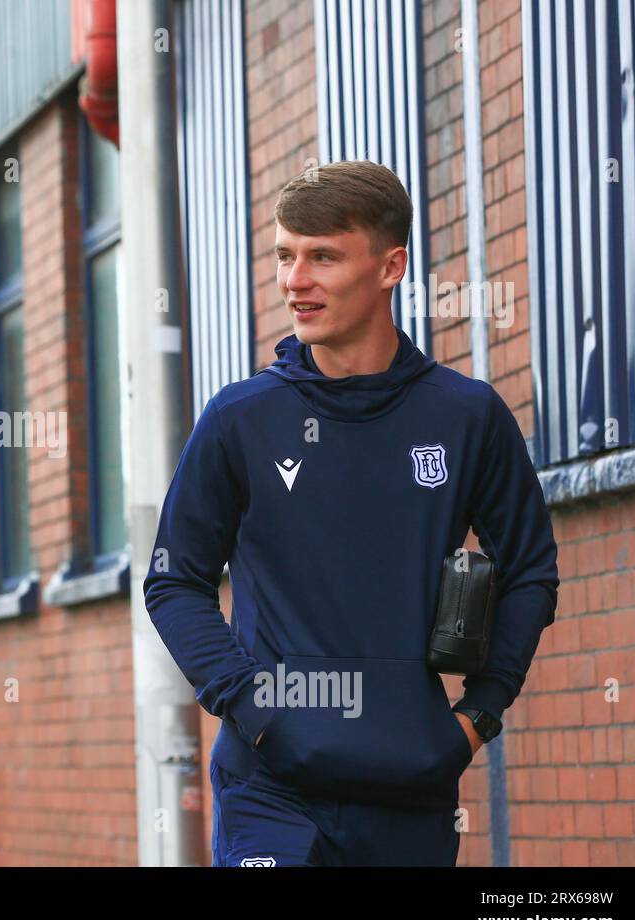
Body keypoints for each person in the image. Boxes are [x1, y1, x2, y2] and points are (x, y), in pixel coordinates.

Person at [143, 161, 558, 867]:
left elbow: (530, 572)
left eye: (322, 257)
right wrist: (254, 708)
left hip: (409, 788)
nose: (293, 281)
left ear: (391, 266)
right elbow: (173, 581)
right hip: (270, 786)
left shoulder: (465, 416)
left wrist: (478, 714)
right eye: (283, 256)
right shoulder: (240, 418)